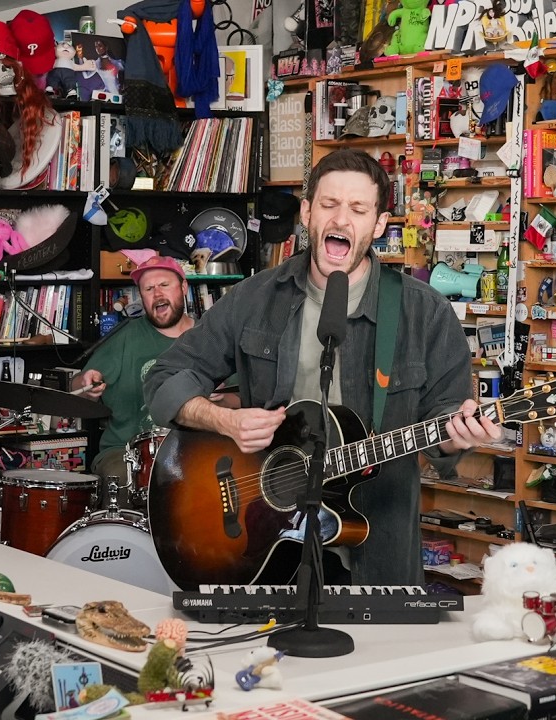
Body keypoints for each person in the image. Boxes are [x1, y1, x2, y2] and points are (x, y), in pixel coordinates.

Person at [143, 149, 502, 585]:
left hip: (377, 550)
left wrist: (457, 437)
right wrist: (222, 419)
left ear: (379, 224)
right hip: (261, 542)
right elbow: (163, 379)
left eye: (358, 209)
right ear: (308, 212)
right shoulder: (254, 299)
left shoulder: (424, 313)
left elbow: (445, 430)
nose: (341, 220)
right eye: (329, 205)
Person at [73, 255, 197, 484]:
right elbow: (78, 384)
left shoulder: (209, 336)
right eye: (149, 289)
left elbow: (237, 398)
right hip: (127, 451)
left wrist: (220, 397)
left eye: (164, 285)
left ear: (184, 287)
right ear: (142, 297)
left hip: (198, 449)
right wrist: (86, 383)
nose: (158, 294)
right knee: (125, 477)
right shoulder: (126, 337)